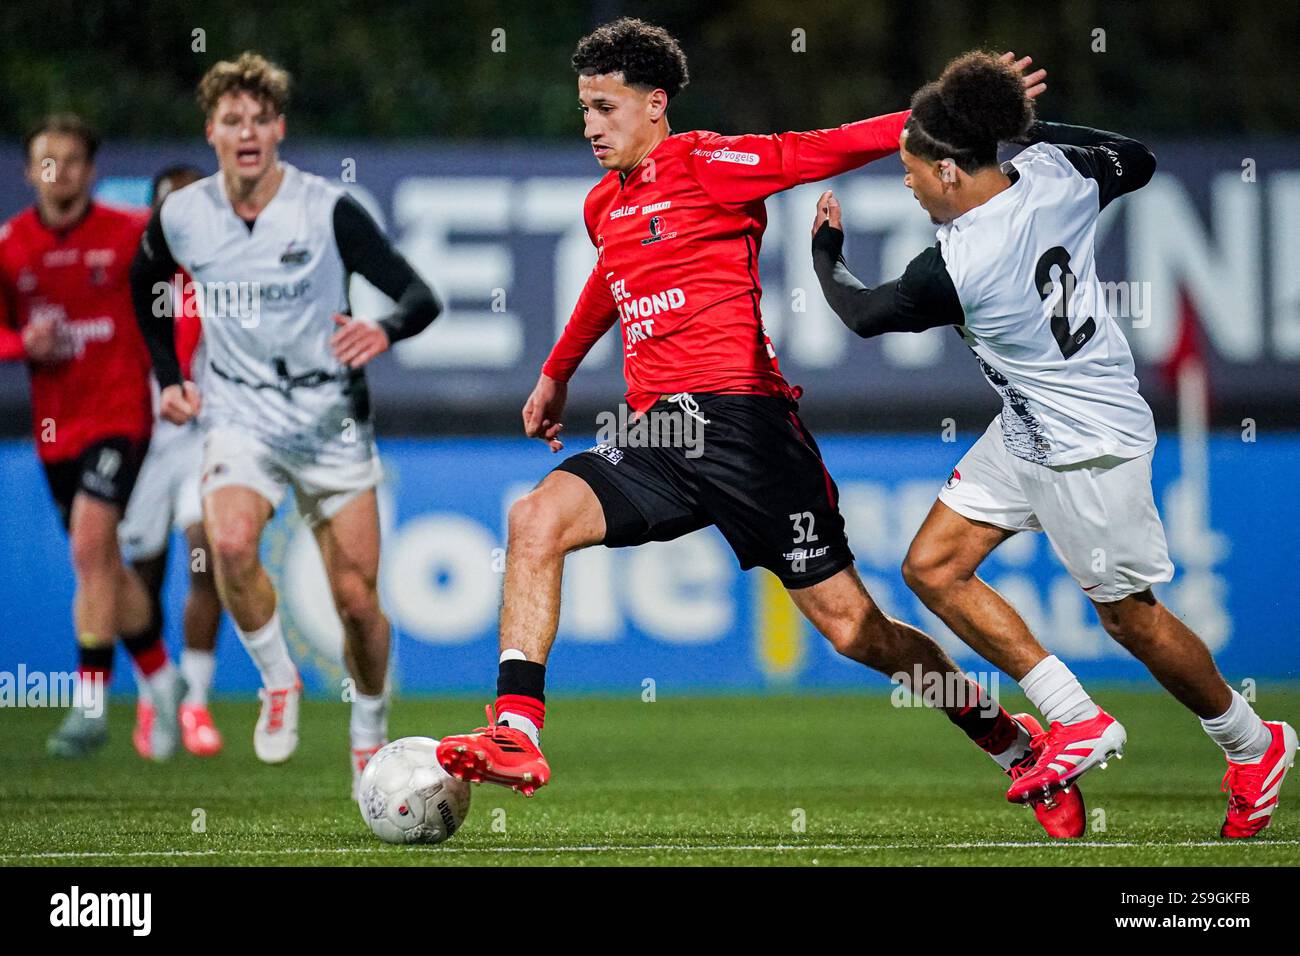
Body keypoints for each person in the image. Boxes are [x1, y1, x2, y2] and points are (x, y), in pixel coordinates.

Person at [434, 19, 1082, 836]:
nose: (591, 125)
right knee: (534, 519)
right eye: (584, 109)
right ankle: (516, 731)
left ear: (655, 104)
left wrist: (953, 116)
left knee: (858, 633)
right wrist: (556, 372)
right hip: (661, 437)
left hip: (746, 428)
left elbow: (826, 147)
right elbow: (610, 279)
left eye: (605, 106)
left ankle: (1013, 744)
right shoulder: (606, 203)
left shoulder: (707, 162)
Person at [810, 50, 1295, 839]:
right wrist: (1019, 129)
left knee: (1131, 620)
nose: (907, 183)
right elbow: (1136, 160)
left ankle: (1252, 743)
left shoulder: (960, 264)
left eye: (913, 171)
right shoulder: (1054, 175)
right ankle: (1070, 715)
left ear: (952, 175)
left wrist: (823, 256)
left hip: (1085, 441)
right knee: (932, 567)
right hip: (1032, 421)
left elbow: (863, 315)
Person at [130, 52, 441, 793]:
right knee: (229, 542)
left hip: (330, 418)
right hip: (239, 412)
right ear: (211, 130)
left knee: (358, 603)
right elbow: (143, 283)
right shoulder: (183, 214)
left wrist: (385, 329)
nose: (247, 131)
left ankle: (369, 731)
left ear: (279, 129)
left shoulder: (325, 208)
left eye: (260, 119)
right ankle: (279, 683)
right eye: (232, 119)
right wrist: (171, 379)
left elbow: (419, 294)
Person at [0, 114, 184, 759]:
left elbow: (179, 298)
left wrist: (174, 373)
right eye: (47, 160)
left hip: (120, 418)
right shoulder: (11, 245)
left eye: (73, 159)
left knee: (88, 543)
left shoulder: (129, 235)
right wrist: (25, 343)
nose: (61, 172)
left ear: (91, 169)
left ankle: (89, 707)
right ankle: (163, 677)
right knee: (100, 560)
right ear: (29, 171)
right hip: (55, 433)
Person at [120, 163, 225, 758]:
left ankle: (196, 703)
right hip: (143, 442)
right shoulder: (134, 275)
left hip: (207, 439)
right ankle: (152, 698)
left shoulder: (231, 273)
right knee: (145, 576)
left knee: (204, 559)